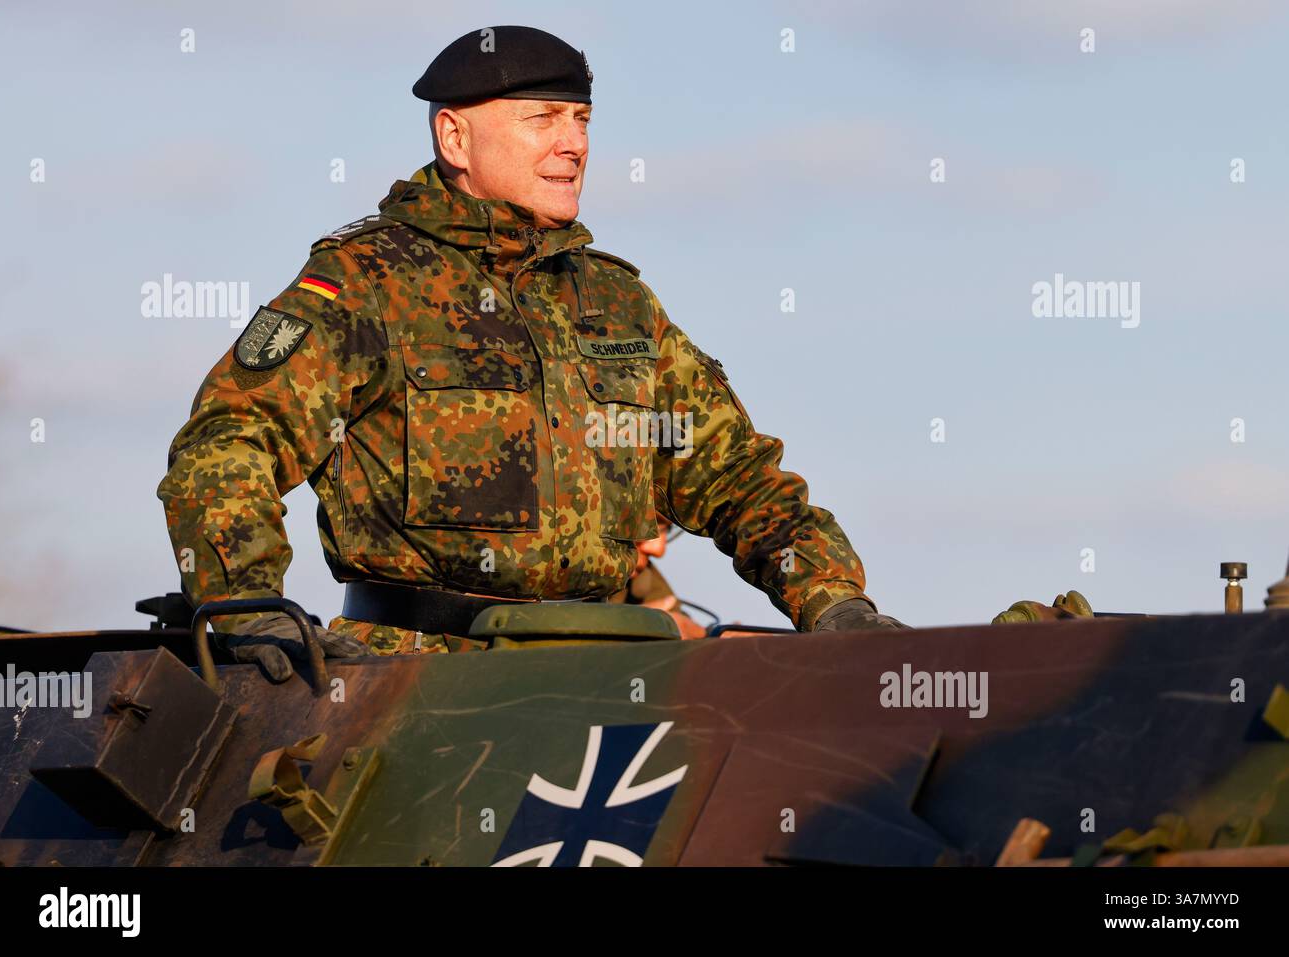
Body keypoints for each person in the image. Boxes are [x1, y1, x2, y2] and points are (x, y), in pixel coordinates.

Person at [156, 25, 904, 682]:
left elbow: (737, 477)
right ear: (455, 138)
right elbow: (228, 442)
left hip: (611, 681)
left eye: (581, 119)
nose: (573, 143)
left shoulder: (615, 300)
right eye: (542, 118)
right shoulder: (367, 282)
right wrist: (247, 606)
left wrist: (835, 604)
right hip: (417, 684)